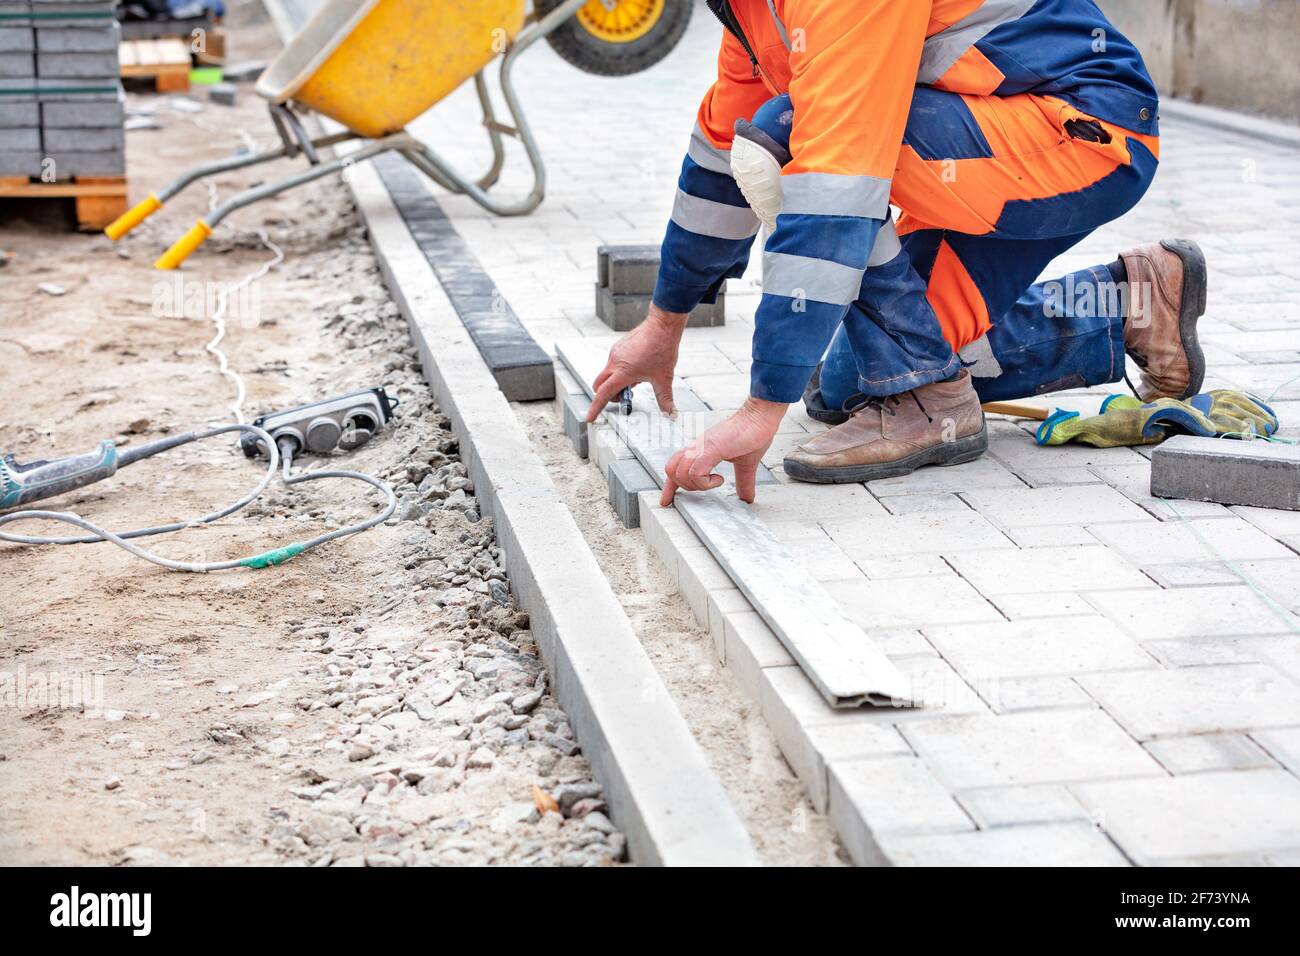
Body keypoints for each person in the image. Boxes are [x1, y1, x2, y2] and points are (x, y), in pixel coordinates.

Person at [586, 0, 1205, 504]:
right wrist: (662, 325)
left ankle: (932, 400)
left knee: (791, 135)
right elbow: (722, 161)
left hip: (1081, 132)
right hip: (988, 146)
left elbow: (834, 189)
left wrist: (761, 404)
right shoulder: (751, 11)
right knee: (847, 385)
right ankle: (1128, 306)